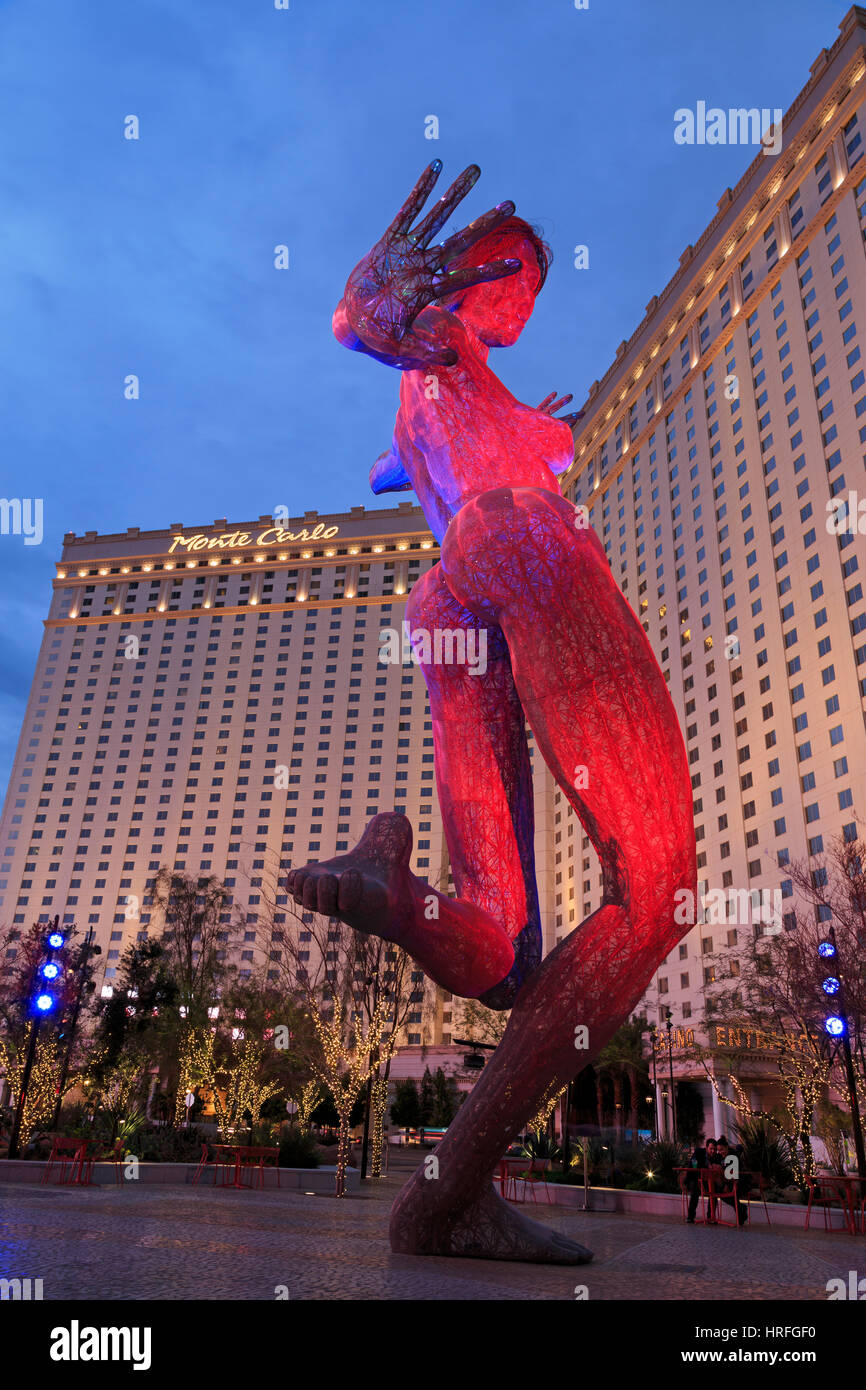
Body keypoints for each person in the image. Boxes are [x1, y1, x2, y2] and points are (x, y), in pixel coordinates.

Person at [288, 161, 697, 1263]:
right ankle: (451, 1189)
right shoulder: (451, 344)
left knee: (502, 941)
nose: (529, 299)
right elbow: (369, 325)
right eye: (523, 275)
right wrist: (370, 304)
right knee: (656, 891)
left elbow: (393, 467)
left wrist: (525, 429)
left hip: (449, 595)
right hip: (522, 549)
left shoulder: (441, 405)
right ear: (486, 278)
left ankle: (399, 890)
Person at [716, 1135, 749, 1226]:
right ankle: (741, 1211)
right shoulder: (723, 1156)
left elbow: (733, 1174)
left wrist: (726, 1184)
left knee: (731, 1194)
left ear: (727, 1147)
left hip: (739, 1181)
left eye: (721, 1150)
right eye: (718, 1150)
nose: (720, 1152)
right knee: (721, 1193)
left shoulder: (733, 1156)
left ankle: (741, 1216)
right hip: (730, 1181)